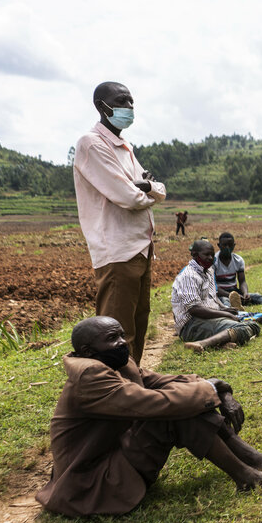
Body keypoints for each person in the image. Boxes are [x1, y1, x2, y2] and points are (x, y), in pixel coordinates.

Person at [35, 316, 262, 516]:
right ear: (87, 351)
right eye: (112, 339)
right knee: (175, 411)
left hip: (114, 456)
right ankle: (248, 476)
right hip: (92, 482)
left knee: (184, 399)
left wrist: (218, 387)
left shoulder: (113, 361)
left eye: (121, 336)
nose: (121, 343)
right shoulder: (90, 375)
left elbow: (164, 381)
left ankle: (255, 461)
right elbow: (152, 403)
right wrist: (210, 389)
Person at [73, 81, 166, 365]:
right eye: (122, 101)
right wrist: (146, 187)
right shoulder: (91, 144)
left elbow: (156, 189)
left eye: (131, 102)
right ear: (102, 106)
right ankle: (110, 392)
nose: (129, 108)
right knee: (113, 333)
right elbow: (129, 197)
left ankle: (132, 384)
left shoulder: (125, 147)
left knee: (137, 324)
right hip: (117, 251)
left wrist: (146, 187)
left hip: (140, 247)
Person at [173, 239, 262, 353]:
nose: (210, 258)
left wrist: (224, 308)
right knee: (243, 328)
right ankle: (202, 344)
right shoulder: (189, 275)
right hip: (191, 326)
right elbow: (194, 309)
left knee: (253, 326)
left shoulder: (207, 271)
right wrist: (225, 314)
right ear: (194, 254)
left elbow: (212, 298)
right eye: (206, 255)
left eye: (212, 255)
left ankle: (220, 343)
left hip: (206, 319)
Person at [214, 232, 262, 308]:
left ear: (234, 246)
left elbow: (242, 281)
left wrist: (245, 293)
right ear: (219, 245)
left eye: (230, 245)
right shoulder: (213, 261)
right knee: (225, 301)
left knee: (255, 296)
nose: (227, 248)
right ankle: (231, 308)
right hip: (221, 294)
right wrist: (232, 296)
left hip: (234, 291)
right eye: (224, 245)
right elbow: (214, 287)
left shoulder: (238, 260)